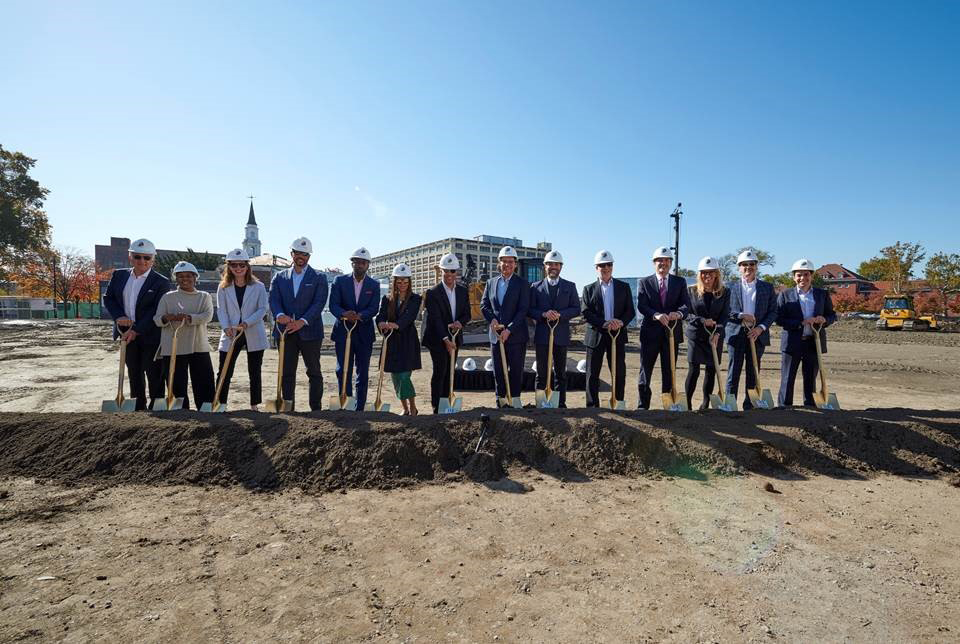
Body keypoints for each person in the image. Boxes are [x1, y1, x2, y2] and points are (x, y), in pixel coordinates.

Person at [102, 238, 171, 410]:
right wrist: (119, 316)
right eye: (138, 257)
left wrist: (137, 330)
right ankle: (138, 406)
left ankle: (157, 406)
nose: (142, 261)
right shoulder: (119, 275)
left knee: (154, 372)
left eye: (147, 258)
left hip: (150, 335)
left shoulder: (161, 282)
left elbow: (156, 310)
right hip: (125, 333)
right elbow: (108, 298)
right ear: (130, 257)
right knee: (134, 372)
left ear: (153, 259)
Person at [268, 237, 329, 410]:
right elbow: (273, 299)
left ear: (309, 256)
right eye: (297, 253)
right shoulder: (279, 277)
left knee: (314, 372)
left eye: (305, 254)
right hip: (285, 332)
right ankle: (288, 407)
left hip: (310, 333)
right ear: (291, 254)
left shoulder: (319, 277)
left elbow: (319, 303)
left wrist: (302, 322)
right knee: (287, 372)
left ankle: (315, 408)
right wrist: (279, 314)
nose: (301, 257)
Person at [153, 261, 215, 409]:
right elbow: (157, 319)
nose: (184, 279)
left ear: (195, 278)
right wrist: (166, 318)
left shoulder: (204, 296)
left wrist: (189, 318)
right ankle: (181, 410)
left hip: (197, 344)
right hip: (173, 345)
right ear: (176, 278)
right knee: (176, 382)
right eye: (180, 276)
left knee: (204, 380)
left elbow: (208, 316)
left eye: (188, 276)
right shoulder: (168, 297)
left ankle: (207, 409)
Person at [776, 259, 837, 407]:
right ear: (793, 277)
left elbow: (832, 315)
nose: (802, 278)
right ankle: (784, 407)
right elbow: (778, 318)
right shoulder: (786, 295)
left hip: (813, 342)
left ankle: (810, 407)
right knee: (787, 378)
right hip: (792, 342)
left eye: (806, 274)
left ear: (812, 276)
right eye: (799, 275)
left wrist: (824, 319)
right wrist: (800, 323)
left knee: (810, 378)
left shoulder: (821, 294)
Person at [635, 246, 691, 409]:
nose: (663, 263)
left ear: (671, 263)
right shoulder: (645, 282)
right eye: (660, 260)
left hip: (671, 334)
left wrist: (679, 314)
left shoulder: (680, 282)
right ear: (654, 263)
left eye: (667, 260)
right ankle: (642, 405)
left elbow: (686, 305)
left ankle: (669, 404)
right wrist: (656, 315)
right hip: (650, 334)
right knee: (645, 370)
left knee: (669, 370)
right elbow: (642, 306)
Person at [215, 249, 268, 411]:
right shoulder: (223, 287)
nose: (238, 268)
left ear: (247, 266)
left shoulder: (258, 286)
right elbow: (221, 310)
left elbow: (262, 309)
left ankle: (254, 404)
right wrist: (226, 327)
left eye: (242, 265)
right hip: (231, 332)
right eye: (234, 265)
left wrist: (246, 323)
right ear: (229, 266)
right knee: (224, 370)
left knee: (254, 371)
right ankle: (220, 403)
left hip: (253, 331)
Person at [580, 250, 636, 407]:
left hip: (617, 334)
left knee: (619, 372)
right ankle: (592, 406)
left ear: (612, 266)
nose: (605, 268)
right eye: (601, 265)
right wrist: (603, 323)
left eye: (609, 265)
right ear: (596, 267)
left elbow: (630, 311)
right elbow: (585, 312)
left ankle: (618, 403)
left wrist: (620, 322)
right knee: (592, 373)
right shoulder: (588, 289)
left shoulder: (623, 287)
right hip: (596, 335)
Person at [724, 249, 777, 410]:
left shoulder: (767, 287)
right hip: (736, 334)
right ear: (739, 267)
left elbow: (773, 312)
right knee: (734, 372)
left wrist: (760, 328)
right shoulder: (729, 287)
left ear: (757, 266)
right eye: (744, 264)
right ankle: (730, 404)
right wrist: (741, 315)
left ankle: (750, 405)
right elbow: (725, 311)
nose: (748, 267)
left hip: (757, 335)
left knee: (753, 371)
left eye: (752, 264)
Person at [329, 247, 380, 410]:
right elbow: (333, 304)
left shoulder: (374, 285)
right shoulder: (339, 281)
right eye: (357, 262)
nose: (359, 265)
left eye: (363, 263)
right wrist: (344, 314)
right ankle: (346, 403)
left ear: (368, 265)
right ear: (352, 263)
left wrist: (360, 316)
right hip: (343, 332)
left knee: (362, 372)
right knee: (342, 369)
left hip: (364, 334)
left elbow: (374, 308)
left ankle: (359, 407)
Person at [421, 253, 471, 413]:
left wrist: (460, 323)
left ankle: (447, 402)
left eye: (452, 271)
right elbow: (435, 319)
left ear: (456, 272)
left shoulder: (463, 291)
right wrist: (445, 339)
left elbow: (467, 314)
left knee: (450, 370)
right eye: (446, 271)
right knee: (440, 370)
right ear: (441, 270)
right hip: (437, 339)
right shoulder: (433, 292)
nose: (449, 275)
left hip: (455, 337)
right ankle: (437, 407)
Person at [528, 250, 579, 408]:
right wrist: (543, 314)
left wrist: (560, 315)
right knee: (542, 371)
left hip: (561, 335)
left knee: (560, 373)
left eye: (556, 264)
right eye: (550, 264)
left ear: (561, 267)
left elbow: (576, 308)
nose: (553, 267)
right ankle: (541, 403)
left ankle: (560, 403)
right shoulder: (535, 287)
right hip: (543, 336)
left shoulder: (570, 287)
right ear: (545, 266)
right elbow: (529, 309)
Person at [481, 246, 530, 407]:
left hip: (515, 336)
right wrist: (492, 320)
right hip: (496, 336)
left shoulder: (522, 284)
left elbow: (523, 310)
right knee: (499, 372)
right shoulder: (491, 283)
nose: (507, 264)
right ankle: (501, 402)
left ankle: (515, 400)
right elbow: (484, 305)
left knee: (515, 371)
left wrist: (509, 329)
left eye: (510, 261)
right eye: (504, 261)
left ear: (515, 264)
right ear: (498, 263)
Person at [683, 257, 730, 410]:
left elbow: (725, 315)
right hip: (696, 336)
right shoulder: (691, 291)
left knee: (711, 370)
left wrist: (718, 332)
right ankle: (687, 403)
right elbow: (687, 314)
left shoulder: (724, 292)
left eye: (710, 273)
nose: (707, 276)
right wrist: (703, 320)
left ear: (716, 274)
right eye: (704, 273)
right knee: (694, 370)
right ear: (700, 274)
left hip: (715, 337)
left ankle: (705, 404)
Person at [375, 263, 423, 415]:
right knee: (396, 377)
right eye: (399, 281)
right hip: (391, 343)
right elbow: (380, 316)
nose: (402, 284)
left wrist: (395, 325)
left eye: (405, 281)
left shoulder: (416, 299)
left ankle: (413, 407)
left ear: (409, 282)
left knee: (404, 376)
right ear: (394, 282)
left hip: (408, 343)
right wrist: (381, 323)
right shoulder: (386, 299)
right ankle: (405, 408)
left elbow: (409, 318)